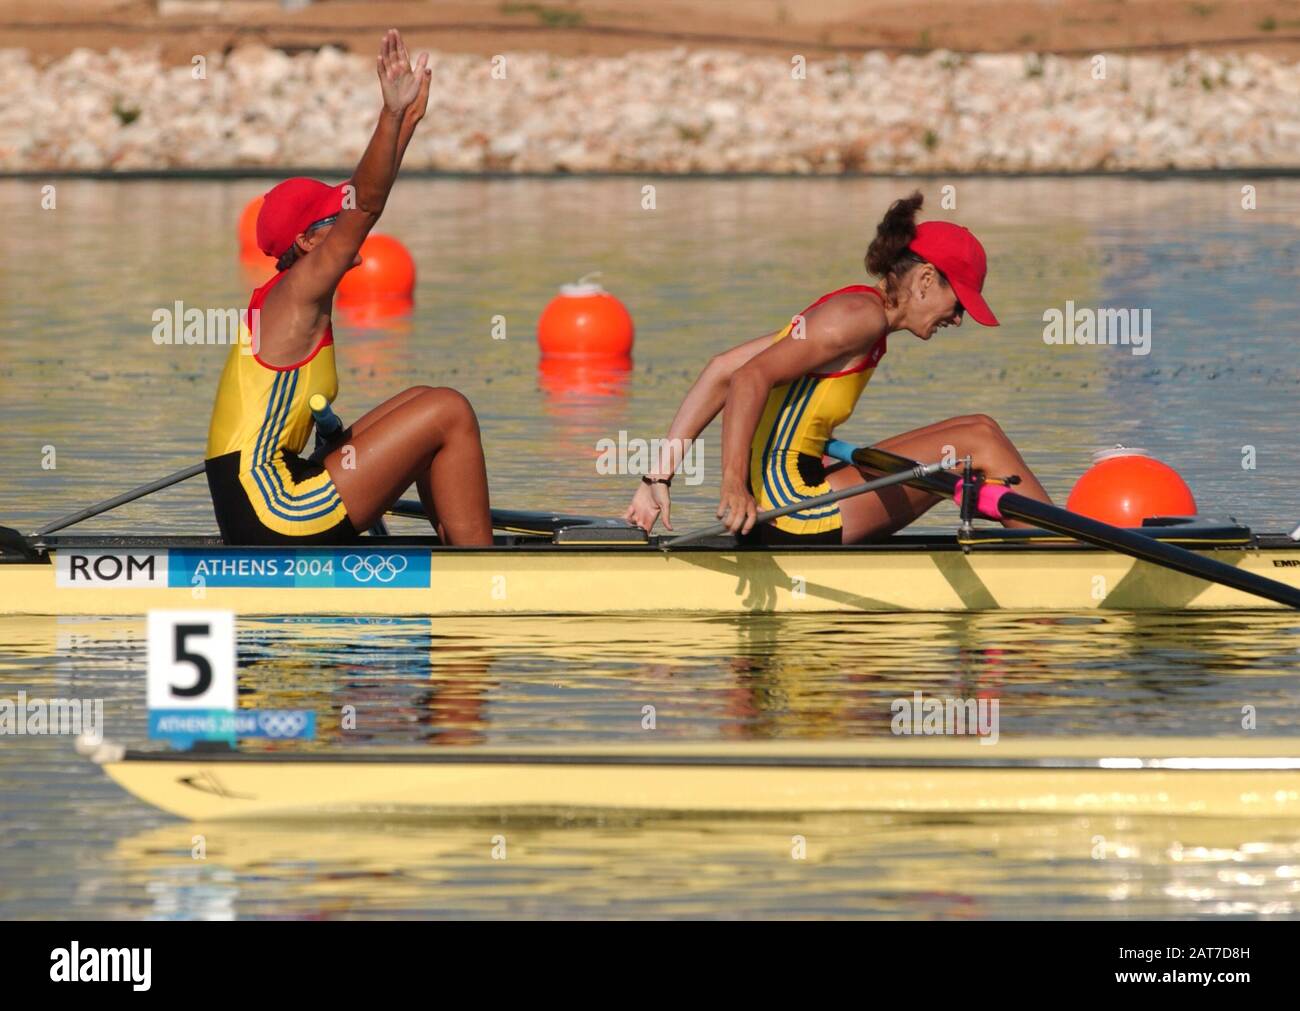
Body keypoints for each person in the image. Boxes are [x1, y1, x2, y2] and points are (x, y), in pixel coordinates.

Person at [625, 191, 1053, 543]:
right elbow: (747, 379)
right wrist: (733, 486)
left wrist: (656, 476)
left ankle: (1044, 545)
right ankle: (1060, 557)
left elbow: (720, 369)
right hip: (792, 509)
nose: (957, 319)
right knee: (979, 442)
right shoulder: (858, 316)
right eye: (958, 304)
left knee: (980, 428)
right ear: (925, 280)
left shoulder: (858, 309)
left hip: (795, 488)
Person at [205, 30, 491, 546]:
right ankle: (486, 572)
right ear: (308, 243)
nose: (349, 227)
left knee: (423, 399)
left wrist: (408, 123)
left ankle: (462, 554)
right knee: (449, 408)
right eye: (332, 221)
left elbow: (363, 202)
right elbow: (367, 204)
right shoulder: (300, 290)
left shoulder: (290, 291)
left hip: (261, 494)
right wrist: (389, 115)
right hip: (273, 510)